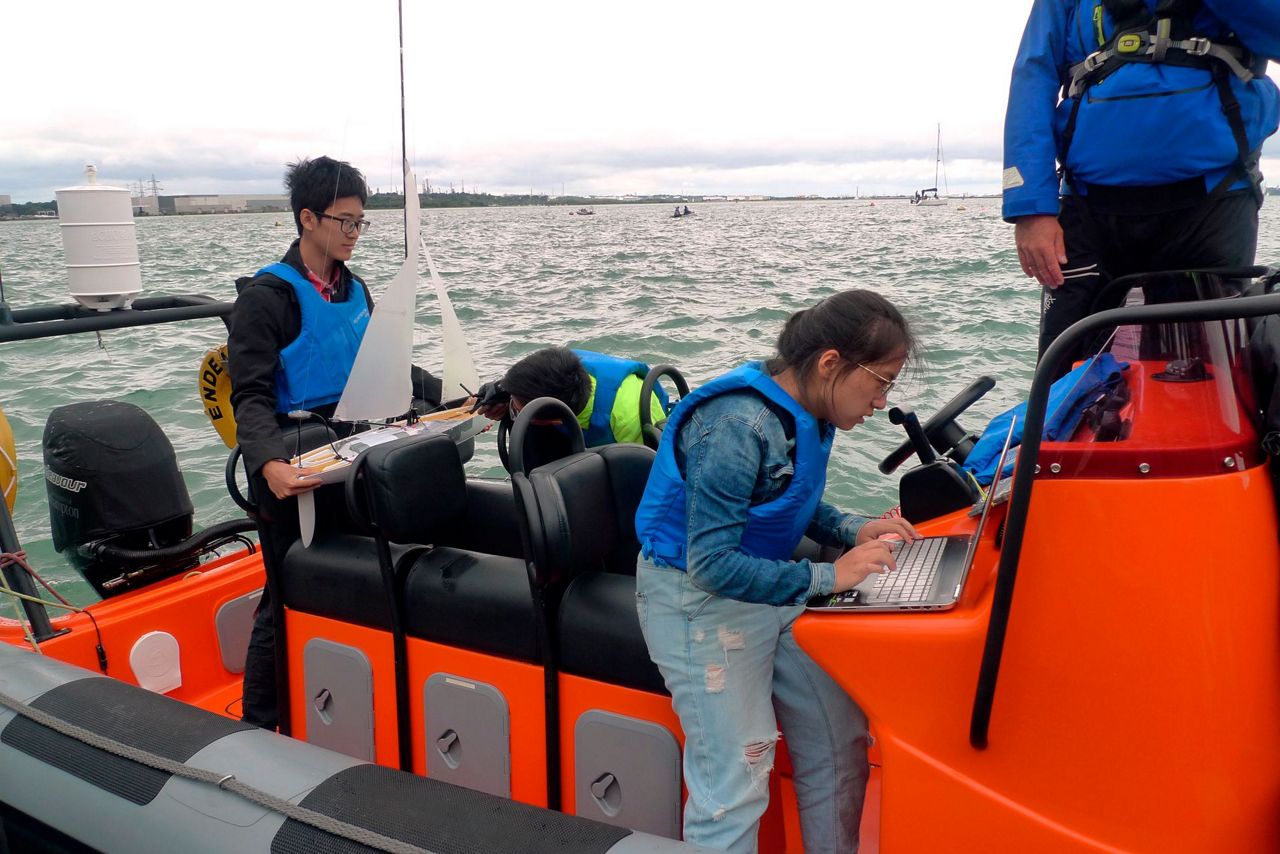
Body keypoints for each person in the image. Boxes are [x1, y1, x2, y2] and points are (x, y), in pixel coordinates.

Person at [633, 290, 920, 853]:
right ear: (830, 363)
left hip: (766, 584)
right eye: (881, 380)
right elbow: (711, 565)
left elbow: (784, 494)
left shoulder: (807, 410)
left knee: (839, 740)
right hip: (698, 602)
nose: (883, 400)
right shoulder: (736, 426)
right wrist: (830, 578)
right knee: (735, 780)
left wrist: (850, 528)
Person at [230, 155, 441, 730]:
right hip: (292, 466)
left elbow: (390, 365)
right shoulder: (267, 298)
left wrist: (459, 396)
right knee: (284, 595)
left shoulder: (358, 289)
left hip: (355, 458)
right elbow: (246, 396)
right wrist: (269, 463)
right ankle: (258, 726)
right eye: (344, 222)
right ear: (307, 219)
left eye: (360, 223)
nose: (354, 234)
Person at [1004, 0, 1279, 371]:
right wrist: (1030, 207)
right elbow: (1032, 77)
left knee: (1203, 381)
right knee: (1061, 381)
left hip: (1212, 205)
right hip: (1087, 210)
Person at [471, 346, 667, 446]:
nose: (512, 410)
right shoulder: (559, 366)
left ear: (555, 418)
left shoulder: (630, 415)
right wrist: (503, 390)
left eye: (516, 410)